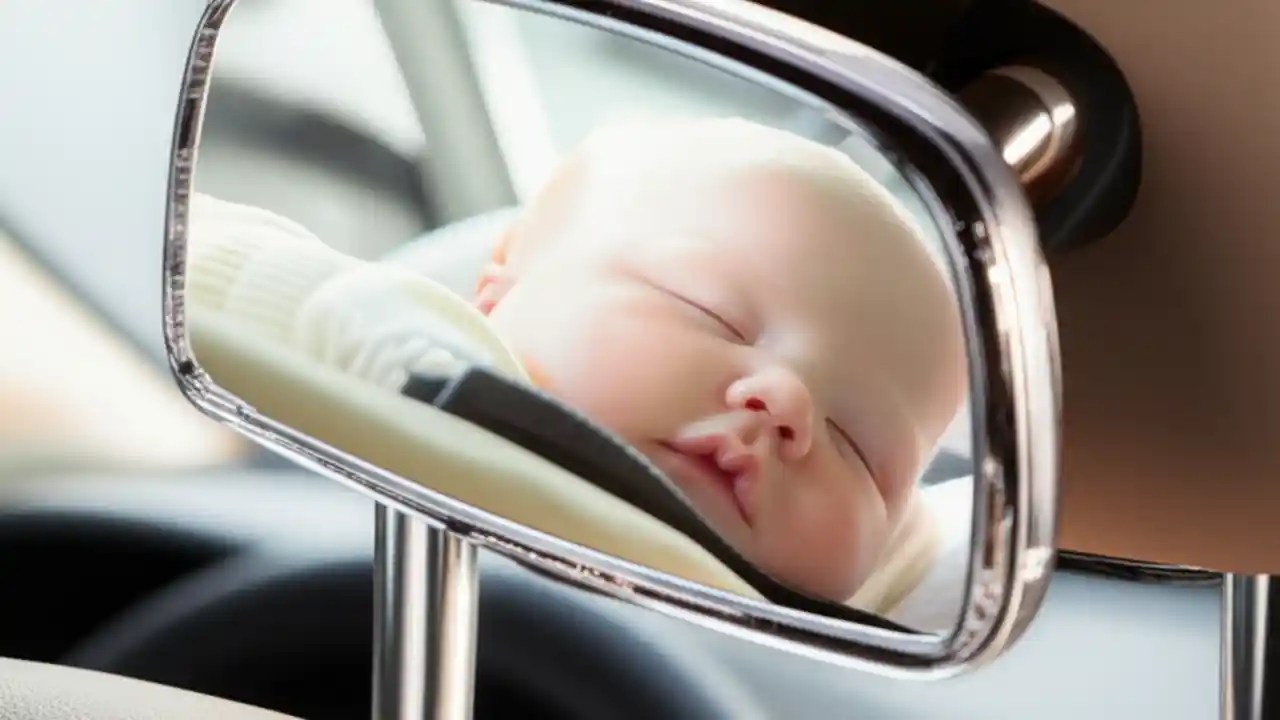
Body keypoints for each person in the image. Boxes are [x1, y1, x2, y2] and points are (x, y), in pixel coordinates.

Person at [187, 116, 966, 606]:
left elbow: (930, 553)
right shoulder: (423, 356)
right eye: (709, 309)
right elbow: (246, 279)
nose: (786, 401)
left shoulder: (844, 615)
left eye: (863, 449)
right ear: (500, 287)